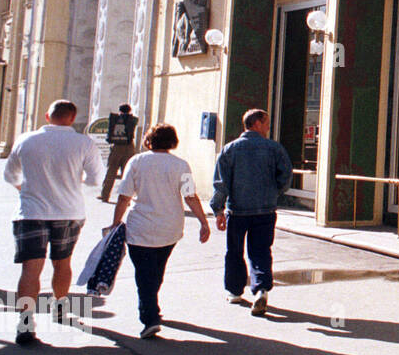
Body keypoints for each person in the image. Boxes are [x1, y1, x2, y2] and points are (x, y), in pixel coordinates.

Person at [3, 99, 104, 346]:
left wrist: (25, 189)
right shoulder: (84, 143)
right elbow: (95, 179)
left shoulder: (26, 140)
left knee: (30, 269)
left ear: (47, 116)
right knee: (63, 263)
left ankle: (25, 325)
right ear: (72, 118)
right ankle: (59, 308)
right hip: (69, 211)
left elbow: (10, 175)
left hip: (31, 212)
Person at [109, 123, 212, 338]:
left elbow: (124, 196)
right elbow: (190, 196)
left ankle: (150, 318)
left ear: (149, 141)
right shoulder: (181, 165)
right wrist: (203, 222)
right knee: (156, 271)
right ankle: (151, 307)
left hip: (140, 227)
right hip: (170, 228)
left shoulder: (136, 162)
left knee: (144, 273)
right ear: (173, 142)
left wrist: (115, 222)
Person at [210, 109, 293, 317]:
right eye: (266, 123)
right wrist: (274, 192)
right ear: (256, 123)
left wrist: (218, 209)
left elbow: (221, 182)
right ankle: (261, 289)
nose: (267, 127)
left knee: (235, 251)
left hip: (237, 210)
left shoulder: (230, 149)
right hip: (265, 209)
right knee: (261, 250)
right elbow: (286, 176)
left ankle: (235, 291)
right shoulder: (274, 148)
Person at [99, 104, 139, 203]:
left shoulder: (115, 119)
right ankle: (127, 199)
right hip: (129, 148)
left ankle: (105, 195)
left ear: (120, 111)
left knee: (111, 172)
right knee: (127, 174)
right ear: (130, 110)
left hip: (116, 147)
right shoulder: (133, 120)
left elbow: (110, 134)